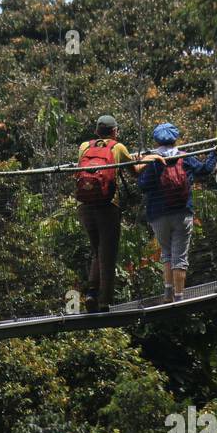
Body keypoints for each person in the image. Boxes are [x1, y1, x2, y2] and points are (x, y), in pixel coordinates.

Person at [135, 123, 217, 302]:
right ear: (176, 139)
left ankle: (168, 295)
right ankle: (179, 297)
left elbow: (143, 186)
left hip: (158, 215)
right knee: (180, 255)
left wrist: (139, 164)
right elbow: (205, 170)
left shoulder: (152, 160)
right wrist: (214, 152)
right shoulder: (185, 157)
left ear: (155, 140)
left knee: (167, 253)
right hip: (182, 213)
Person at [74, 114, 143, 313]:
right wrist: (146, 159)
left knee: (96, 250)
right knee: (108, 253)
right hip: (108, 205)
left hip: (84, 204)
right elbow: (135, 172)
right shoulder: (118, 147)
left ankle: (91, 294)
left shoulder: (84, 147)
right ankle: (104, 302)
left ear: (97, 131)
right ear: (114, 132)